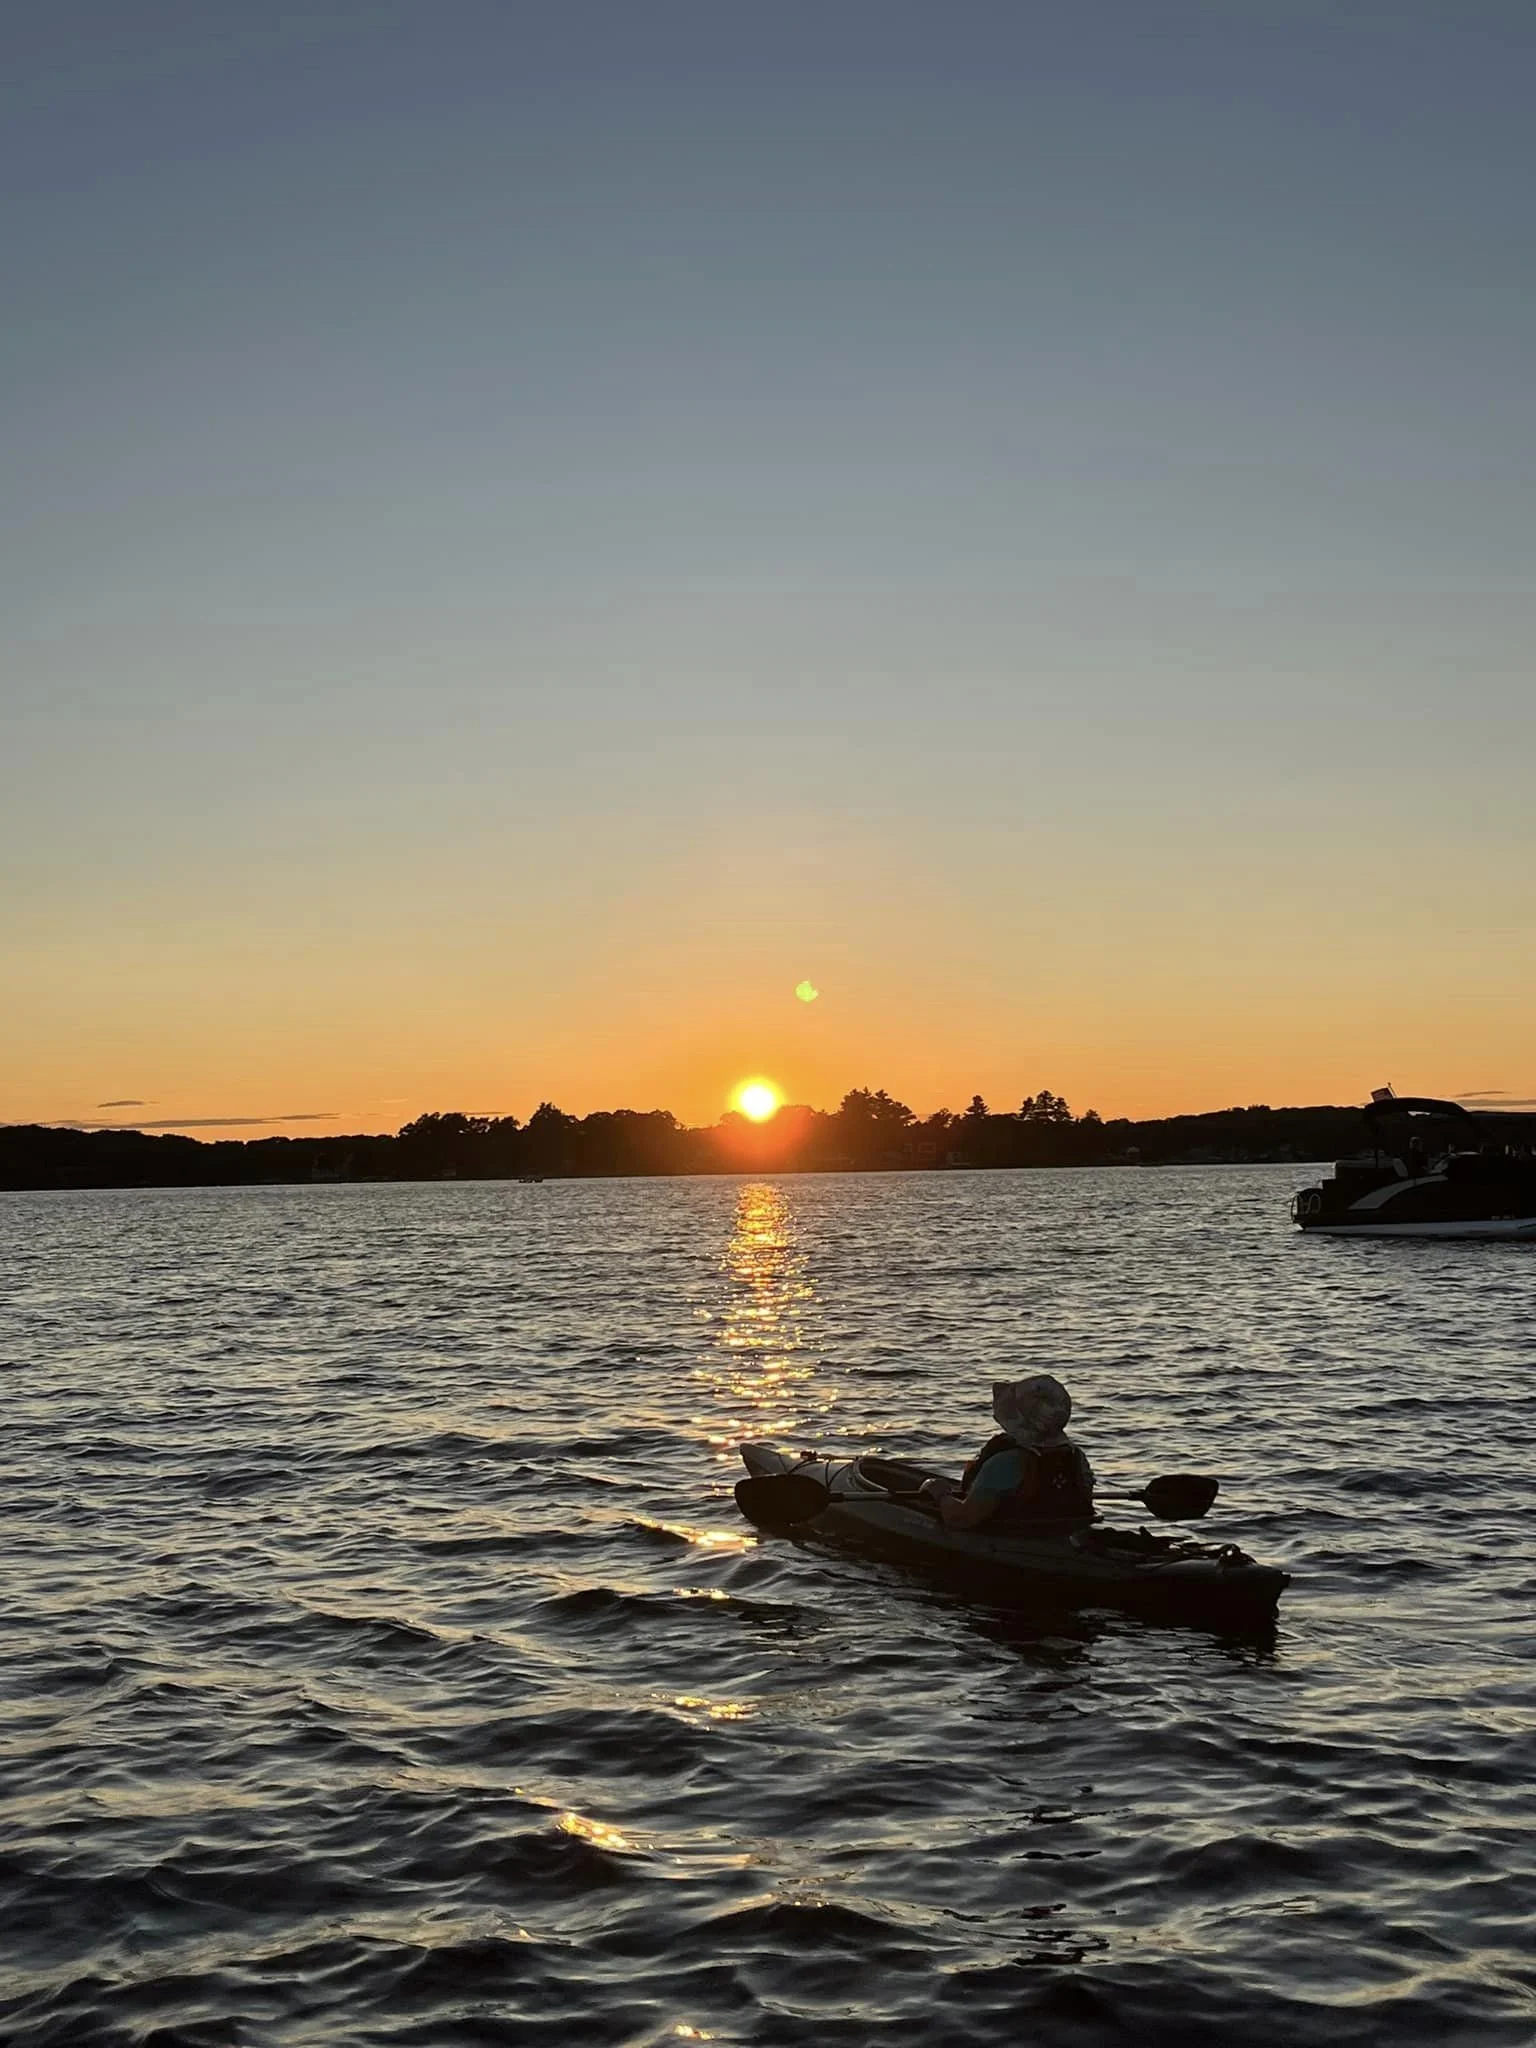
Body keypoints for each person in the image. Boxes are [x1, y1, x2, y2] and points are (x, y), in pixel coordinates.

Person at [919, 1374, 1094, 1531]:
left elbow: (960, 1519)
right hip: (1062, 1537)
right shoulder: (1076, 1457)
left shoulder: (1005, 1463)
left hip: (1017, 1542)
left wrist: (941, 1494)